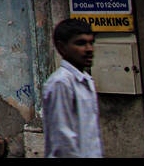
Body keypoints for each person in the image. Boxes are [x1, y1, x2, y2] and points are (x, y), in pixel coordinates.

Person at [42, 18, 103, 158]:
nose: (89, 49)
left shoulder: (86, 80)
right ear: (62, 47)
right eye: (81, 43)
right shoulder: (61, 83)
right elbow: (63, 140)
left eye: (91, 43)